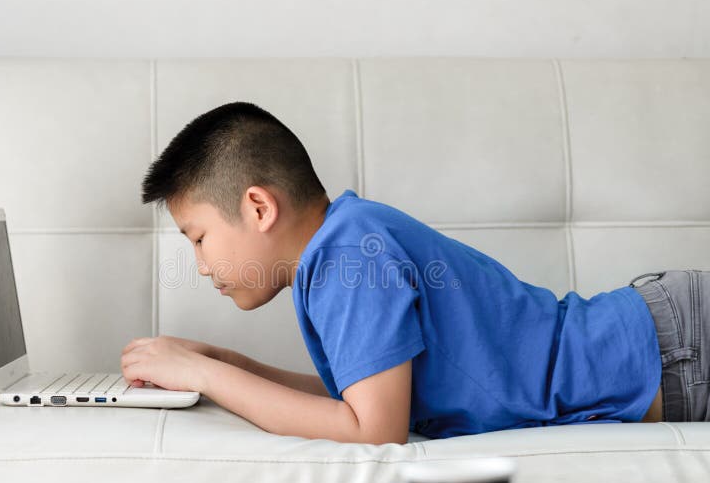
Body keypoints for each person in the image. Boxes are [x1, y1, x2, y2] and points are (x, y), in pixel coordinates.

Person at [119, 101, 708, 444]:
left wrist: (206, 374)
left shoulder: (345, 256)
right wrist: (226, 366)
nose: (201, 266)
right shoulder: (344, 242)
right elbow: (359, 398)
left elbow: (373, 431)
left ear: (258, 208)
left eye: (199, 238)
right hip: (669, 341)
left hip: (676, 351)